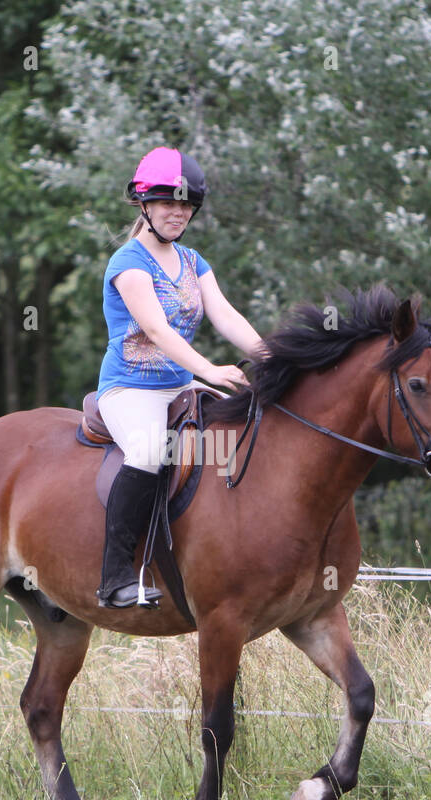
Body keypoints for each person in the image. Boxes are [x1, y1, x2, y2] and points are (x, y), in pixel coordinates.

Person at [95, 146, 266, 608]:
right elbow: (155, 329)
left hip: (180, 385)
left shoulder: (193, 262)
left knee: (243, 421)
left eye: (186, 204)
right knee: (151, 449)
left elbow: (225, 316)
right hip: (131, 388)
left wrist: (270, 356)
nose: (178, 212)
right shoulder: (127, 262)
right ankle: (114, 578)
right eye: (169, 202)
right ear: (144, 205)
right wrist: (209, 370)